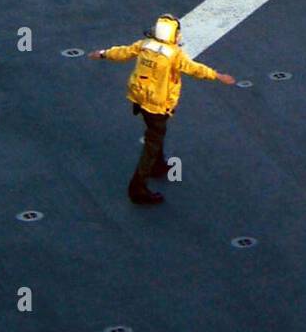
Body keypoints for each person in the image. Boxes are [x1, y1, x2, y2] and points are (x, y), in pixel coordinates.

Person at [88, 14, 236, 205]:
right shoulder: (173, 54)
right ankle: (137, 188)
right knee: (153, 142)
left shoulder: (145, 45)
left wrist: (103, 53)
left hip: (139, 98)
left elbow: (123, 52)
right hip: (157, 105)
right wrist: (217, 75)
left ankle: (158, 166)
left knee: (155, 132)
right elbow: (194, 69)